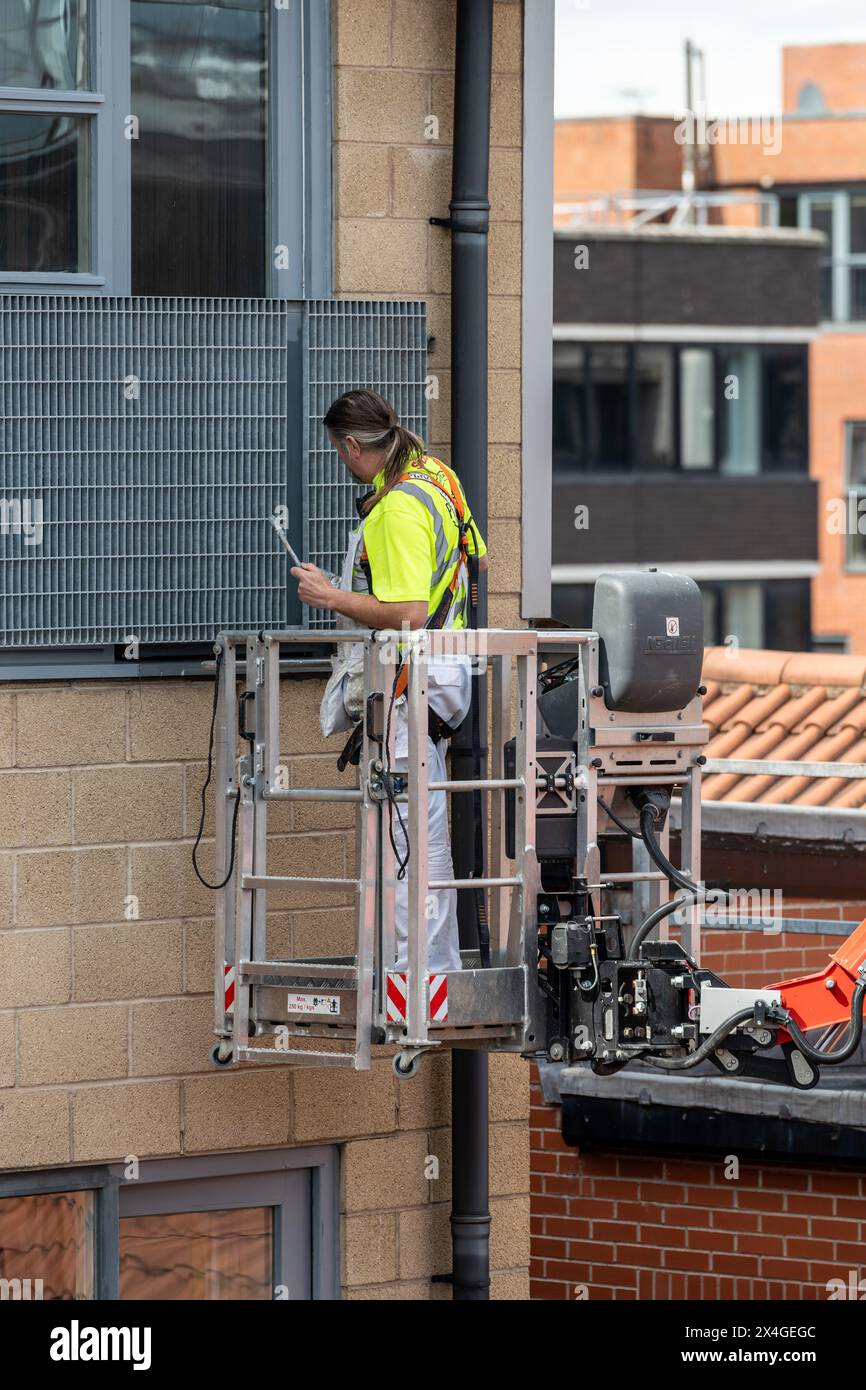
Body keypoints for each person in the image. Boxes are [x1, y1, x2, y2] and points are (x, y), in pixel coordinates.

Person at [290, 389, 488, 975]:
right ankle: (429, 969)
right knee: (420, 835)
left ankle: (418, 976)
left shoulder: (398, 507)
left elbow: (406, 610)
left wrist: (332, 597)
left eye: (339, 452)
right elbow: (473, 560)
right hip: (439, 678)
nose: (341, 461)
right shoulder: (436, 477)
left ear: (353, 446)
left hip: (410, 683)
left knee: (408, 840)